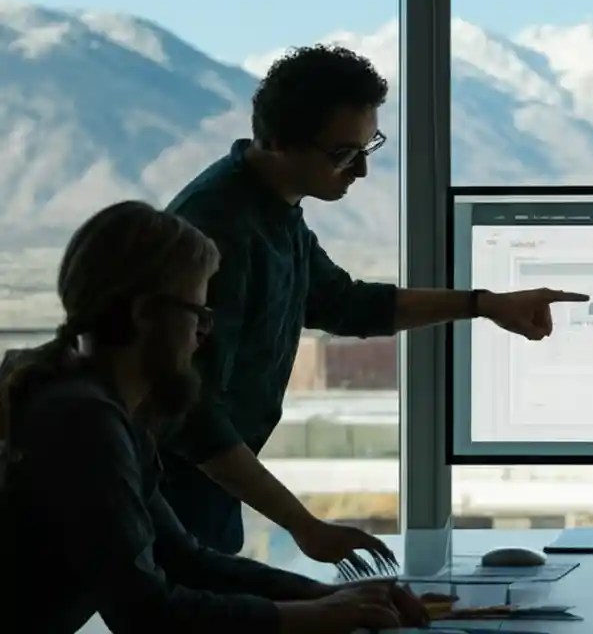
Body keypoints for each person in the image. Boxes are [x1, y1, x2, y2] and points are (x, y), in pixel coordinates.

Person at [159, 44, 588, 564]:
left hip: (206, 490)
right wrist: (304, 526)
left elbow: (346, 304)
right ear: (277, 143)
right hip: (171, 491)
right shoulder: (218, 231)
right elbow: (190, 417)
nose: (360, 171)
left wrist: (484, 304)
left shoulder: (273, 211)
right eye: (342, 154)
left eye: (369, 147)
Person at [0, 201, 445, 633]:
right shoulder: (84, 424)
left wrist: (337, 598)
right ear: (143, 315)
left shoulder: (95, 406)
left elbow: (186, 561)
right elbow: (149, 615)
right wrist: (320, 616)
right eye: (197, 314)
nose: (202, 336)